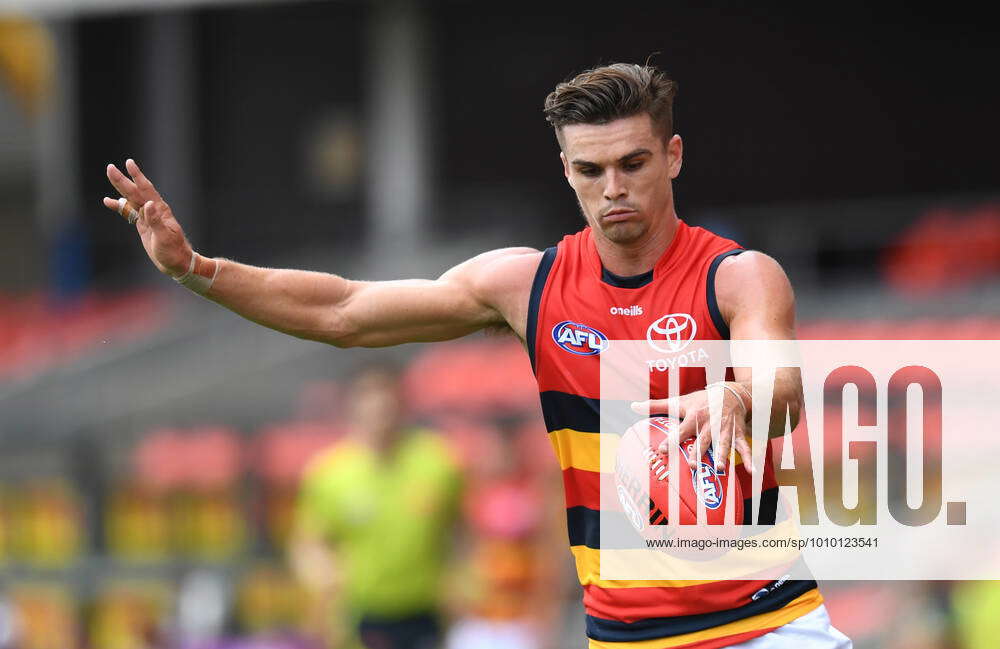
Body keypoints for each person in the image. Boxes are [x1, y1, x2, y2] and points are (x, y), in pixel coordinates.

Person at [103, 62, 851, 648]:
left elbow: (779, 384)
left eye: (633, 162)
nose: (613, 189)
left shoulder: (738, 277)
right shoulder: (526, 283)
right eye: (591, 171)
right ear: (567, 172)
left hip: (769, 625)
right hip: (627, 634)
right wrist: (196, 269)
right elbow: (344, 310)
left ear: (674, 155)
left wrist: (735, 396)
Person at [288, 363, 462, 649]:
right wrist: (323, 575)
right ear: (351, 404)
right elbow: (308, 543)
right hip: (359, 614)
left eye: (386, 392)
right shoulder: (329, 473)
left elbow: (460, 529)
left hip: (425, 611)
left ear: (403, 400)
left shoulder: (439, 460)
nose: (380, 404)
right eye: (368, 394)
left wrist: (461, 581)